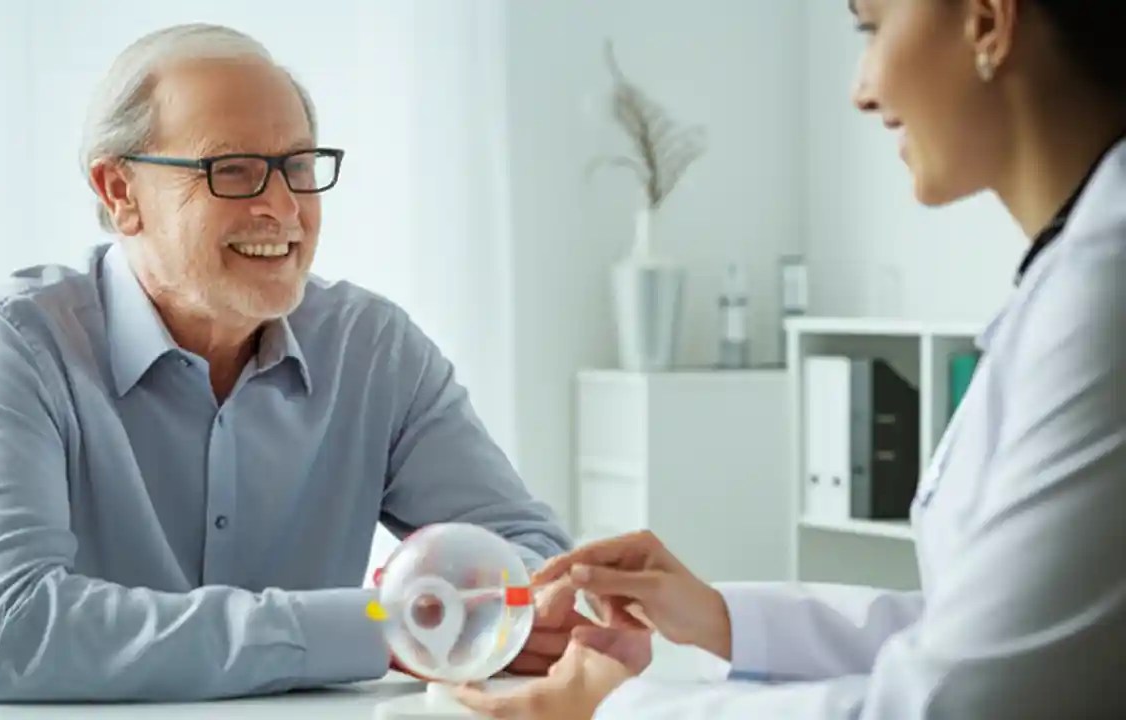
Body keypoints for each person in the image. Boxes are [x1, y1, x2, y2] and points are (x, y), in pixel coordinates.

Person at [456, 0, 1126, 717]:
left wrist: (619, 709)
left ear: (988, 21)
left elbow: (965, 702)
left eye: (871, 28)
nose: (861, 90)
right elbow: (978, 638)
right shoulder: (1075, 277)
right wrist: (720, 617)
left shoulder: (1104, 295)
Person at [0, 23, 579, 703]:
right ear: (120, 191)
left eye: (298, 166)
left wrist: (506, 602)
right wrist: (378, 626)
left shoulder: (372, 348)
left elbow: (531, 561)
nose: (283, 207)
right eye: (232, 169)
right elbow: (2, 631)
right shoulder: (15, 342)